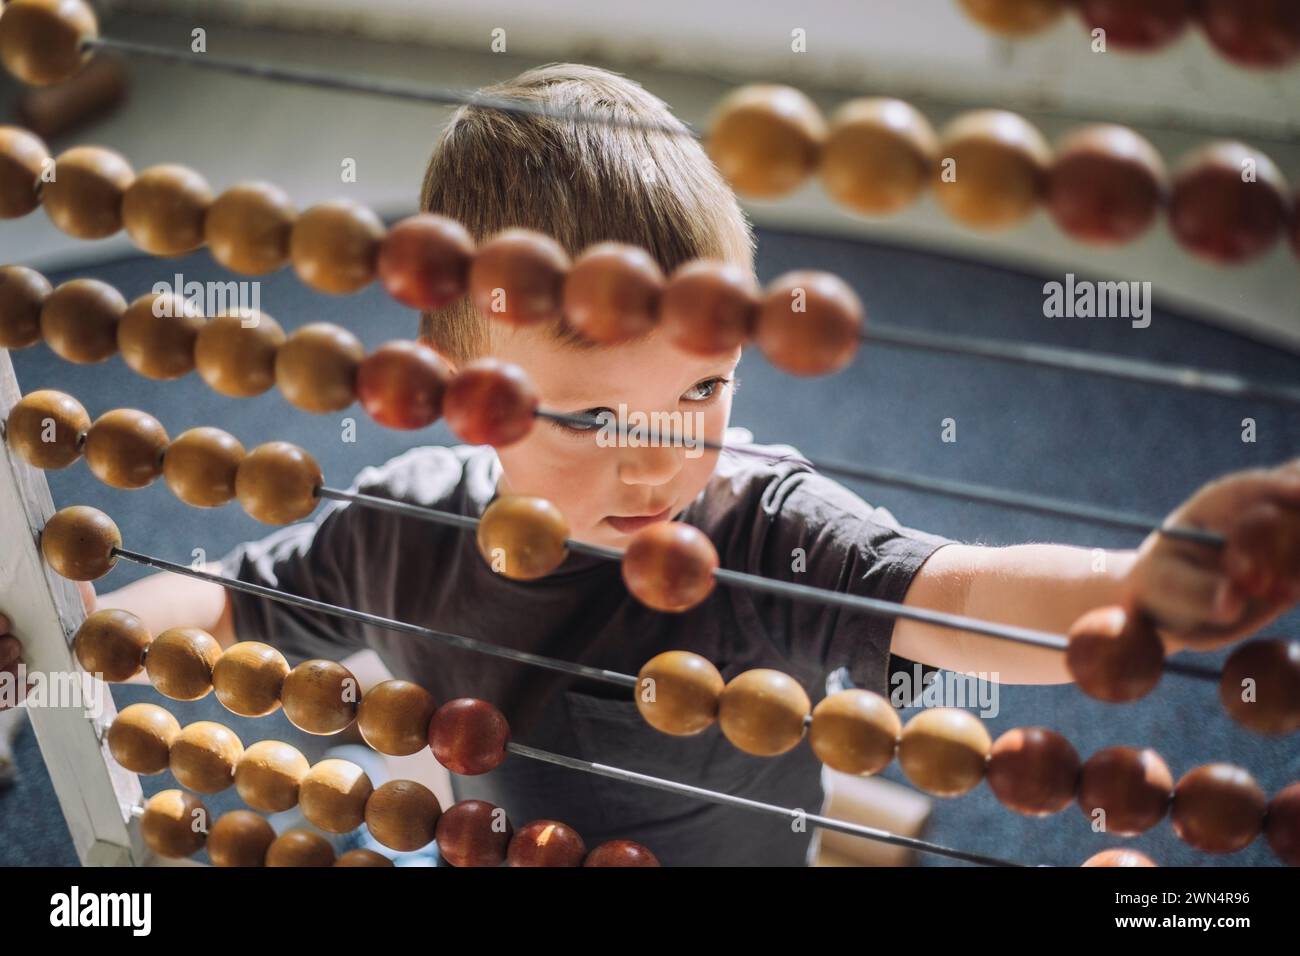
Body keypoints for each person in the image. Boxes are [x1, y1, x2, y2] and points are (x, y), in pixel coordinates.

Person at [2, 64, 1297, 865]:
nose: (665, 455)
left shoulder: (767, 530)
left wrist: (1132, 580)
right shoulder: (399, 530)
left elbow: (955, 596)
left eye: (704, 388)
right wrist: (88, 635)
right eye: (595, 419)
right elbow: (235, 595)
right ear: (466, 399)